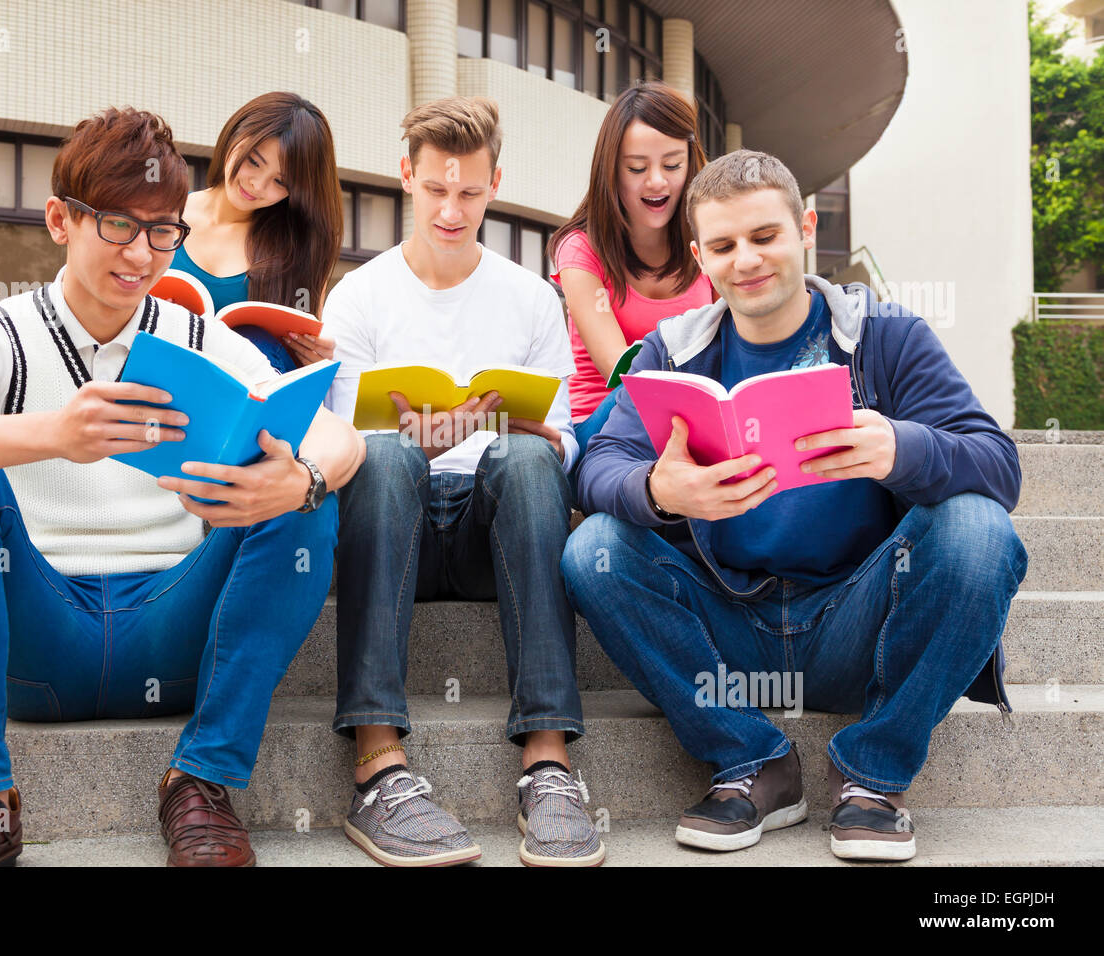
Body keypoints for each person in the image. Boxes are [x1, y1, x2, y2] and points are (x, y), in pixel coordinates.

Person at [0, 107, 365, 867]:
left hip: (176, 628)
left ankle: (203, 780)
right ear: (61, 219)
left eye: (163, 231)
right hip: (38, 637)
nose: (143, 254)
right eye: (119, 226)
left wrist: (303, 478)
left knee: (300, 496)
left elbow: (336, 436)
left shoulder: (197, 337)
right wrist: (54, 433)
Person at [561, 149, 1026, 862]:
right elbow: (597, 466)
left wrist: (904, 449)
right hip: (726, 631)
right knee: (593, 547)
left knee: (978, 529)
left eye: (764, 236)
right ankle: (754, 762)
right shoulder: (671, 351)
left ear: (805, 227)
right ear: (699, 257)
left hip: (859, 624)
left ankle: (873, 777)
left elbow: (998, 465)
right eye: (722, 245)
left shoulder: (885, 336)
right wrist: (658, 489)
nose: (745, 260)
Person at [321, 96, 604, 867]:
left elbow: (567, 438)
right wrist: (407, 435)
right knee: (383, 457)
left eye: (470, 193)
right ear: (407, 176)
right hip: (392, 525)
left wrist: (514, 430)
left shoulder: (530, 298)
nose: (452, 210)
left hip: (492, 532)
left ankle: (548, 763)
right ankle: (378, 764)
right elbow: (340, 445)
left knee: (532, 459)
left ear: (495, 184)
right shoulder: (358, 297)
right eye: (437, 189)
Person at [548, 80, 715, 462]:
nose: (657, 181)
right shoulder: (582, 249)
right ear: (612, 172)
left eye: (672, 164)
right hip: (604, 427)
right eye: (637, 168)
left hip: (690, 420)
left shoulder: (709, 242)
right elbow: (620, 370)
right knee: (635, 388)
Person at [173, 92, 342, 371]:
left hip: (243, 400)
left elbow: (294, 359)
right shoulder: (164, 215)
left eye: (280, 181)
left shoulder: (299, 248)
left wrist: (314, 360)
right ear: (234, 134)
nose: (258, 186)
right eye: (253, 161)